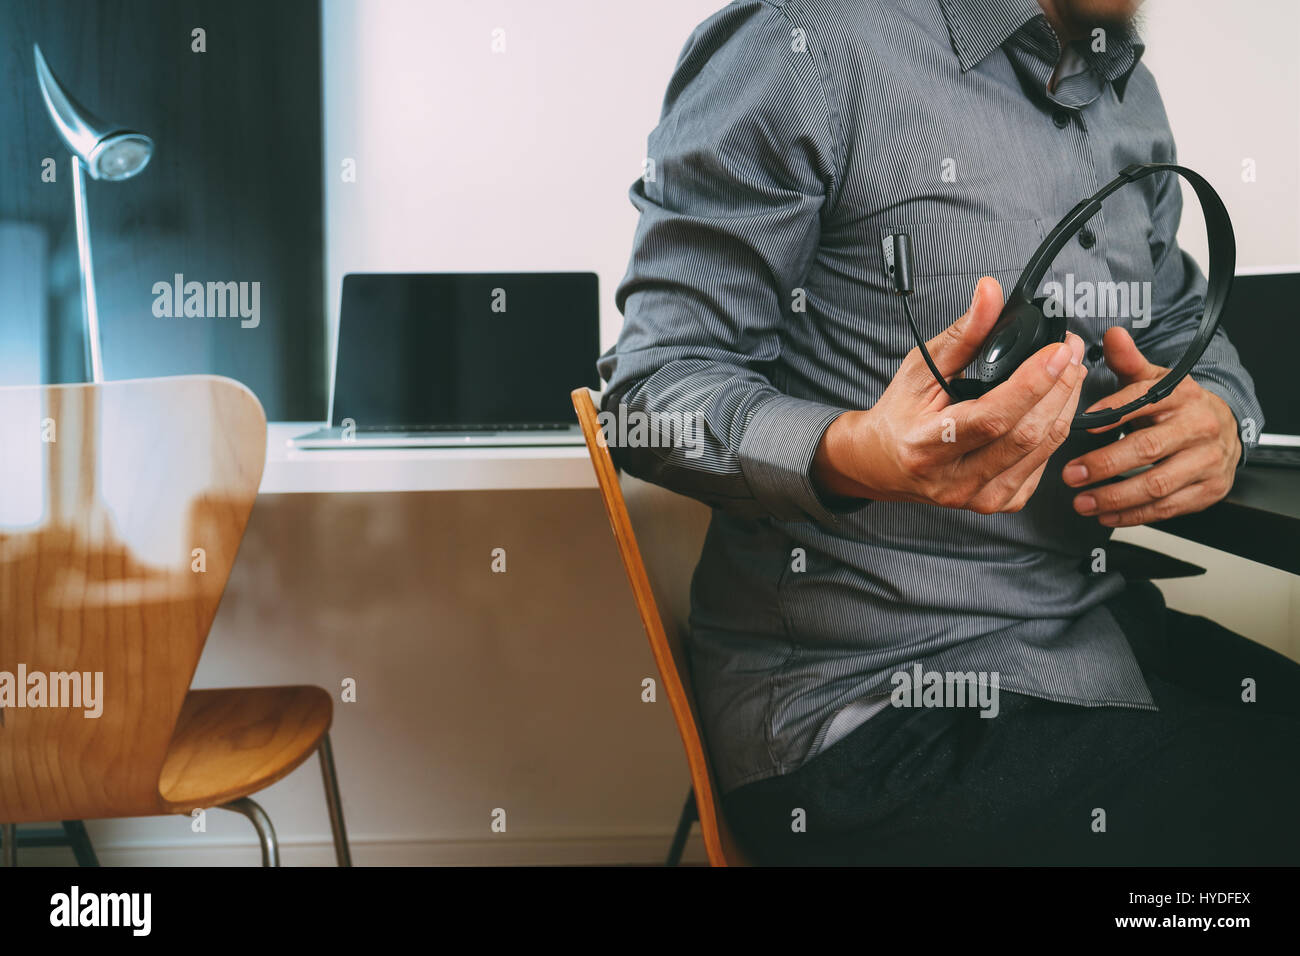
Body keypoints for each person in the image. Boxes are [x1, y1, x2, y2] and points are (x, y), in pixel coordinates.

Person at [597, 0, 1300, 864]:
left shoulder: (1131, 93)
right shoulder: (801, 42)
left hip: (1100, 636)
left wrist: (1224, 412)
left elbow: (1183, 325)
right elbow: (651, 388)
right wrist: (857, 453)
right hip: (872, 717)